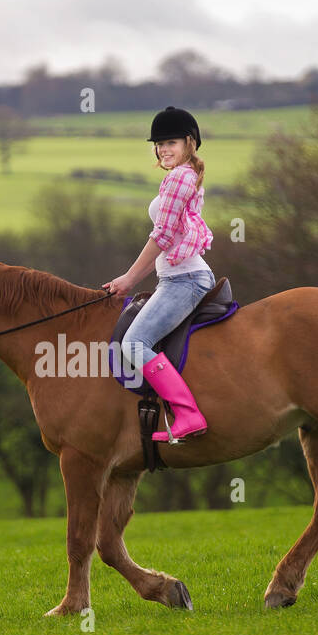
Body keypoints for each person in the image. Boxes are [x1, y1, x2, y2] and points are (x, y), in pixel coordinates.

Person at [103, 106, 216, 442]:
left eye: (170, 142)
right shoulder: (183, 175)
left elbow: (163, 236)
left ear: (189, 142)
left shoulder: (180, 177)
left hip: (185, 280)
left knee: (134, 344)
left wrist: (128, 279)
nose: (163, 149)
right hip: (176, 278)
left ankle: (187, 414)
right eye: (158, 144)